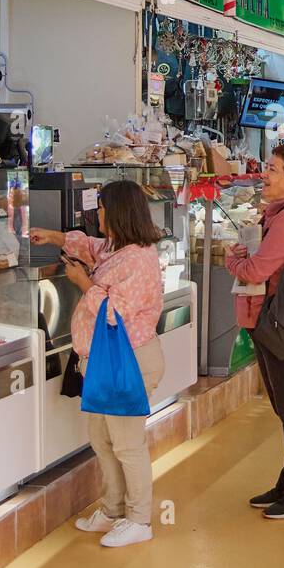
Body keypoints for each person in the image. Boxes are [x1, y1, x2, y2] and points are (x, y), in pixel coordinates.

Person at [30, 181, 165, 548]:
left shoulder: (139, 259)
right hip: (103, 364)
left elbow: (113, 312)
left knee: (126, 444)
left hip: (128, 363)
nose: (97, 214)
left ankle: (139, 519)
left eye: (102, 208)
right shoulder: (115, 248)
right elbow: (90, 246)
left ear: (118, 213)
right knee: (101, 440)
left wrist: (83, 282)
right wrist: (53, 237)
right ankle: (113, 509)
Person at [225, 143, 284, 520]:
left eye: (274, 169)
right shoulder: (277, 214)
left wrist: (232, 258)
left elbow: (254, 272)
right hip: (276, 323)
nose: (265, 174)